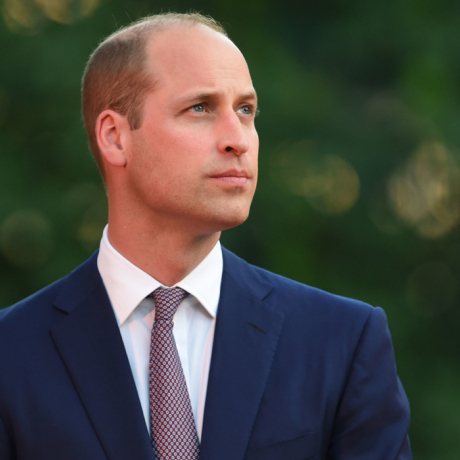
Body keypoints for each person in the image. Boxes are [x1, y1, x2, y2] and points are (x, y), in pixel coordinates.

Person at [0, 12, 411, 460]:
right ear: (115, 137)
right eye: (200, 108)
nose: (239, 139)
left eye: (246, 110)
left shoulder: (343, 342)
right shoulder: (11, 354)